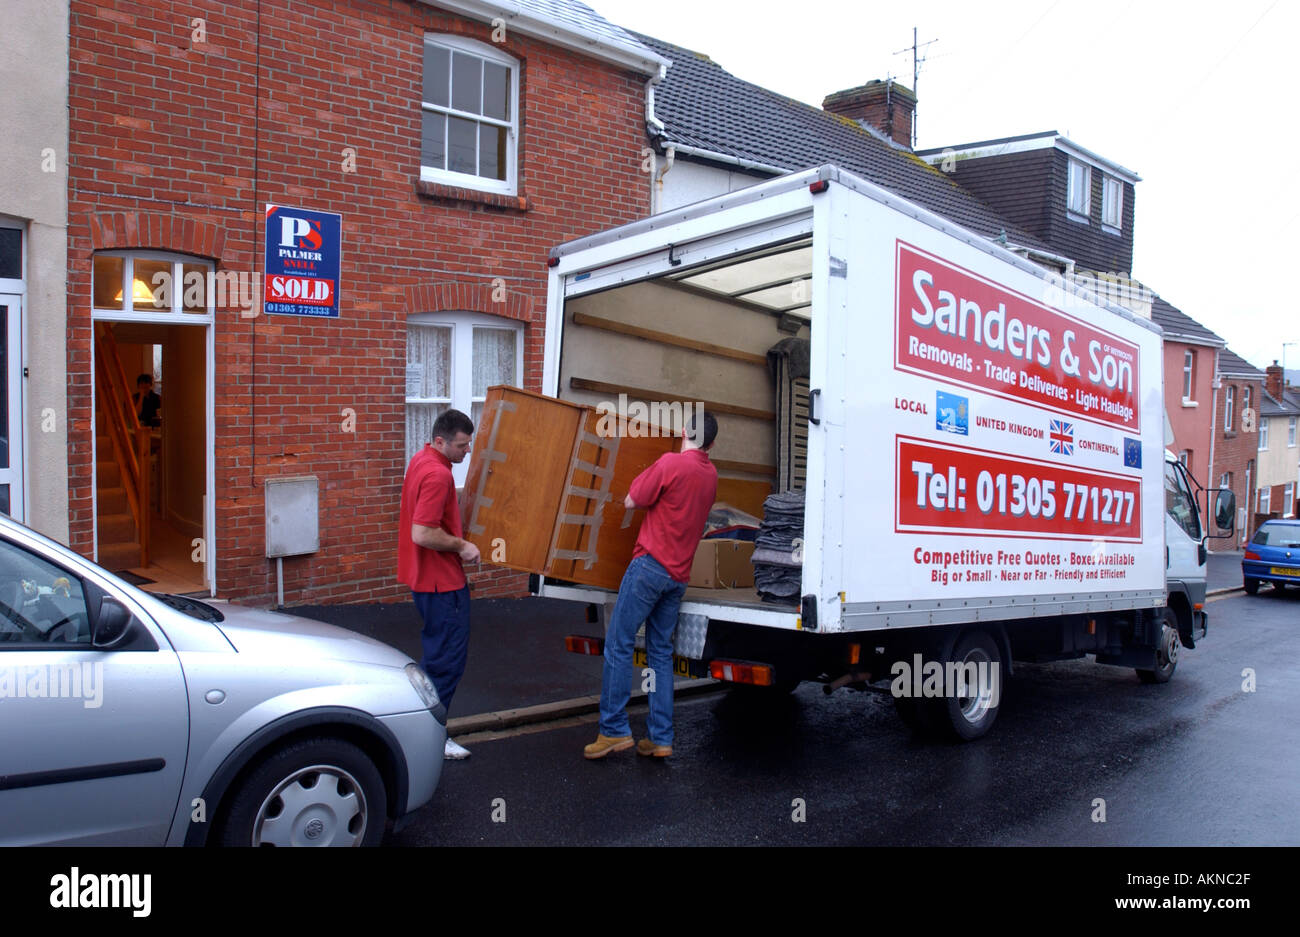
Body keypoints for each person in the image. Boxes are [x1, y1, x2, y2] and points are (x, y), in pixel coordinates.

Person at [585, 409, 718, 760]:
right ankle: (660, 737)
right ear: (713, 443)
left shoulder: (671, 463)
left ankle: (614, 730)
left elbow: (632, 499)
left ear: (684, 432)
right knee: (659, 653)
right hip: (678, 578)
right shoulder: (711, 475)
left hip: (649, 567)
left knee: (619, 643)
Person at [398, 409, 481, 760]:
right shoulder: (437, 474)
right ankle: (432, 737)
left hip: (425, 581)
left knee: (435, 660)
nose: (467, 453)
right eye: (462, 446)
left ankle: (421, 731)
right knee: (445, 664)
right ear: (440, 441)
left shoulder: (421, 460)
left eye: (469, 445)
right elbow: (423, 532)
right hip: (442, 585)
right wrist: (463, 546)